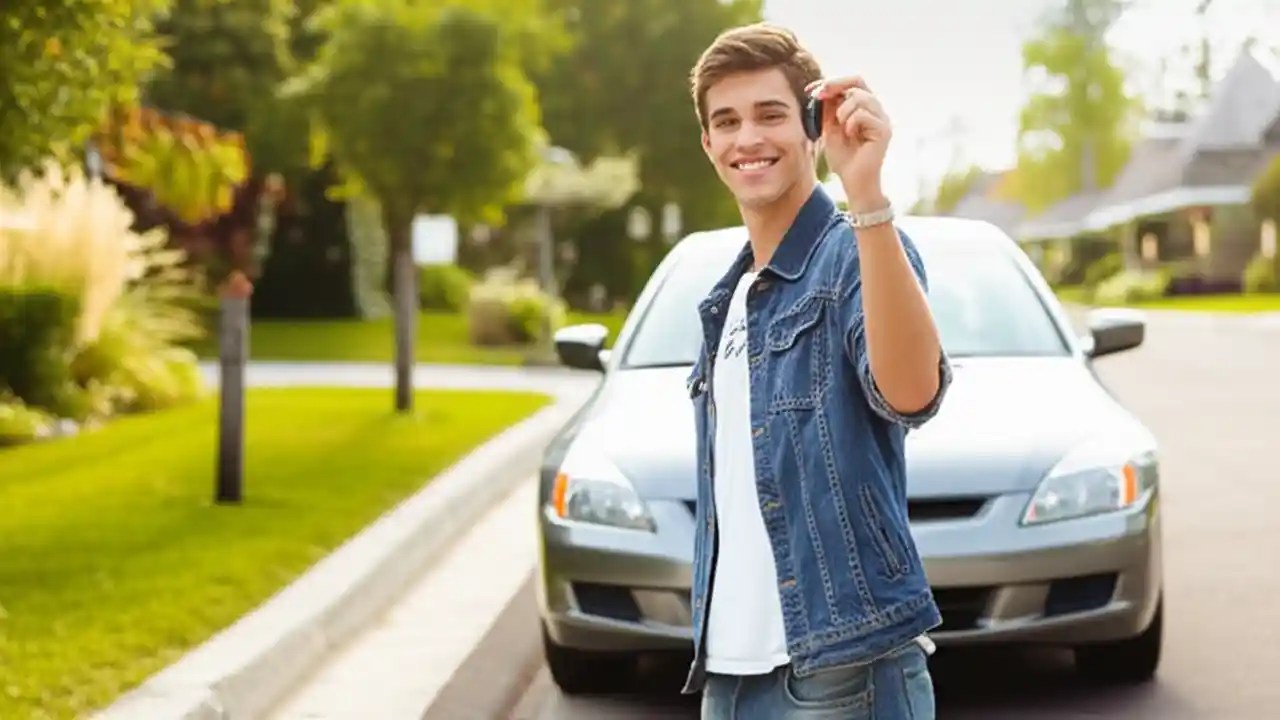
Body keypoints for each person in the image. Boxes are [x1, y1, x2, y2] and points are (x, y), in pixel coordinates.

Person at [683, 22, 953, 719]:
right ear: (708, 145)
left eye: (771, 115)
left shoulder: (855, 253)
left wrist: (866, 195)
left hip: (842, 673)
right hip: (727, 675)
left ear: (811, 128)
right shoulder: (728, 299)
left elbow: (911, 392)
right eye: (727, 121)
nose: (749, 139)